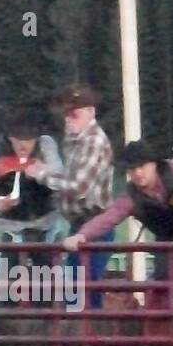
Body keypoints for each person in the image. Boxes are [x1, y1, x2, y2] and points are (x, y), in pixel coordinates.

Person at [23, 84, 114, 307]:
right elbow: (70, 177)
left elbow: (78, 186)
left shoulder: (94, 142)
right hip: (79, 224)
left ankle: (91, 337)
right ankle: (85, 337)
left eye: (74, 114)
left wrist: (42, 175)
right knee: (76, 289)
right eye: (65, 114)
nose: (68, 119)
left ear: (91, 112)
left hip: (95, 225)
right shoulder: (74, 140)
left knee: (86, 288)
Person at [63, 139, 173, 285]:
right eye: (132, 169)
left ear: (154, 164)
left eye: (142, 166)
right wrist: (82, 235)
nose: (138, 173)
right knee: (163, 281)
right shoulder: (132, 197)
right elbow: (109, 217)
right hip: (168, 243)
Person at [0, 110, 65, 245]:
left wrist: (43, 173)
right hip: (12, 231)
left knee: (58, 263)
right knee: (5, 264)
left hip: (48, 227)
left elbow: (63, 182)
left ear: (37, 138)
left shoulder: (46, 146)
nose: (23, 145)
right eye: (18, 138)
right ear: (10, 137)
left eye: (29, 139)